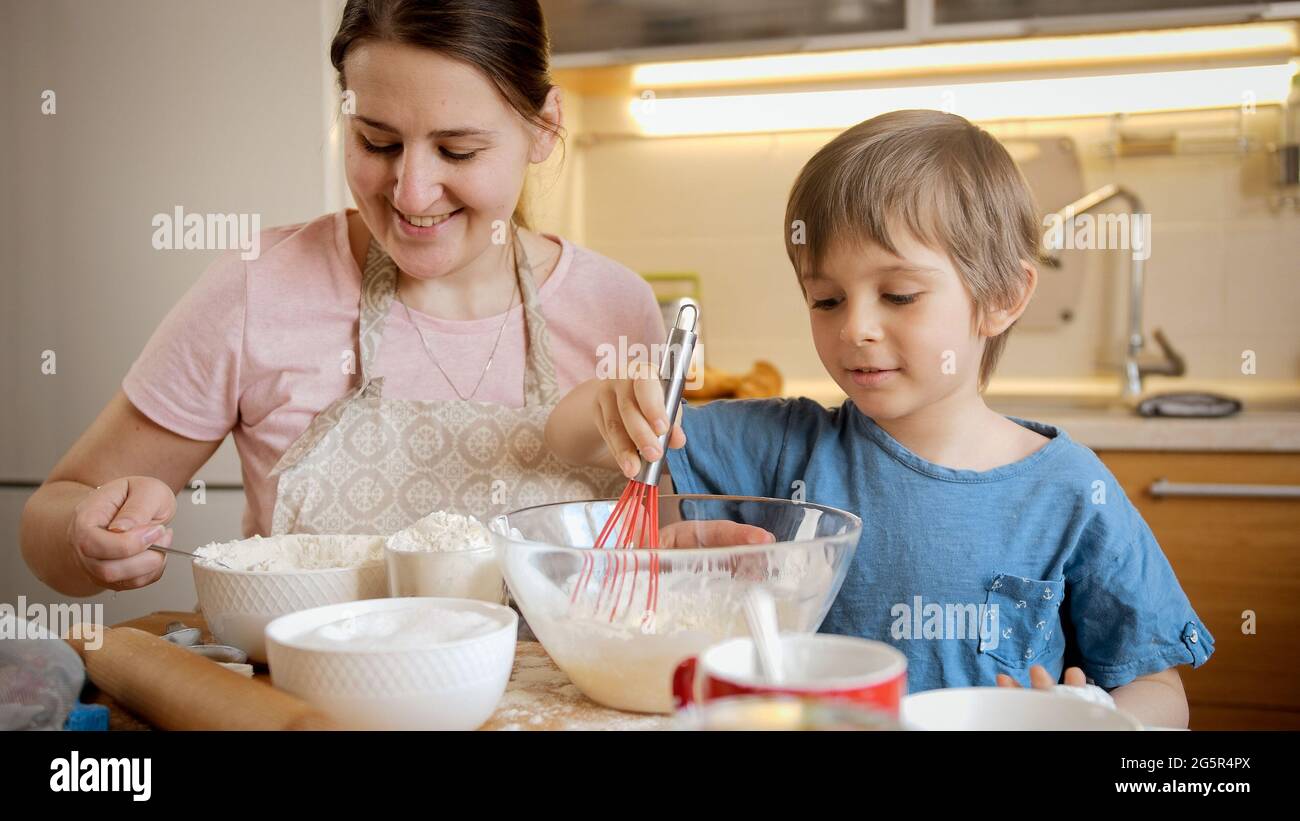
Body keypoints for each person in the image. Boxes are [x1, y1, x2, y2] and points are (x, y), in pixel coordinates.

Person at [545, 109, 1212, 728]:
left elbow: (1159, 689)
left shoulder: (1071, 491)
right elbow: (568, 438)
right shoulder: (782, 444)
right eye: (827, 299)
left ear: (1003, 296)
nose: (855, 328)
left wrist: (1092, 716)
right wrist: (619, 396)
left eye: (898, 294)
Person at [22, 0, 662, 596]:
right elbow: (53, 512)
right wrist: (88, 536)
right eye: (377, 142)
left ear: (544, 127)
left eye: (457, 150)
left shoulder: (618, 311)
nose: (411, 192)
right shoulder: (259, 288)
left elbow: (658, 562)